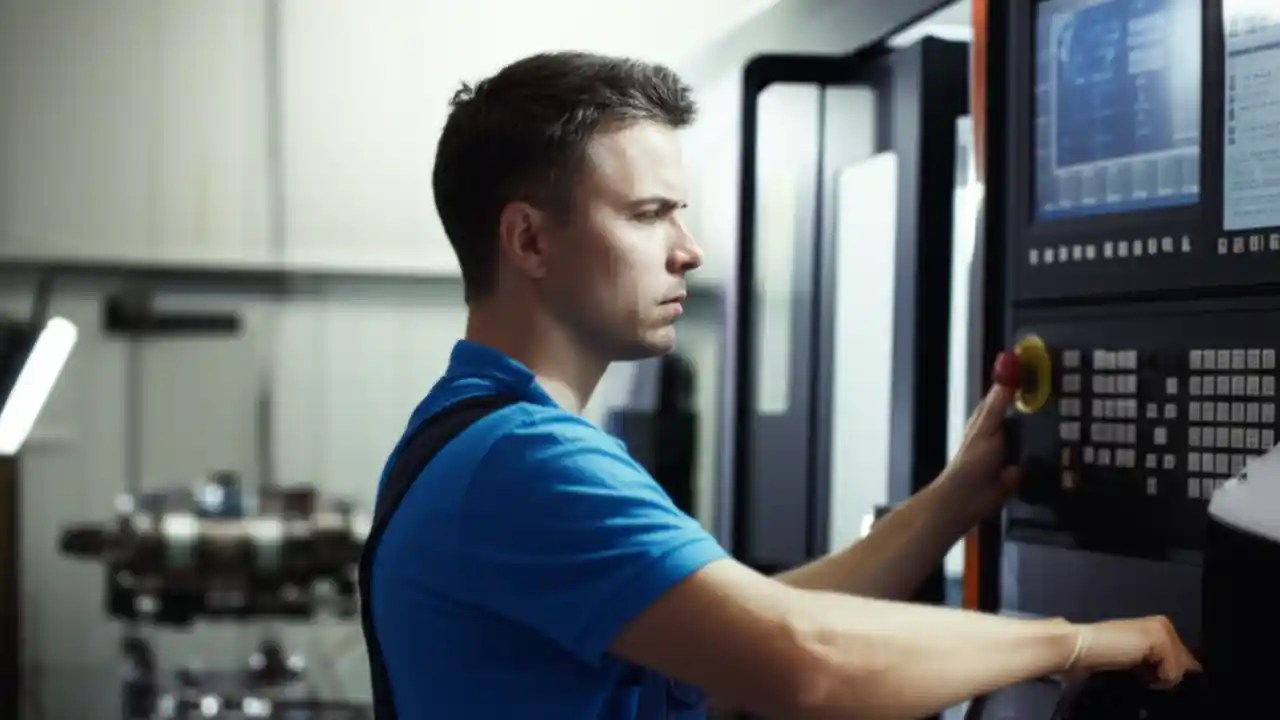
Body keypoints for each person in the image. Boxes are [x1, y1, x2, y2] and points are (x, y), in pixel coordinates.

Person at [361, 51, 1200, 719]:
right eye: (649, 214)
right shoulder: (525, 457)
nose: (688, 250)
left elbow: (751, 628)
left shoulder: (469, 433)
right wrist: (1078, 643)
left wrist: (951, 502)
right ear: (530, 241)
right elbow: (806, 661)